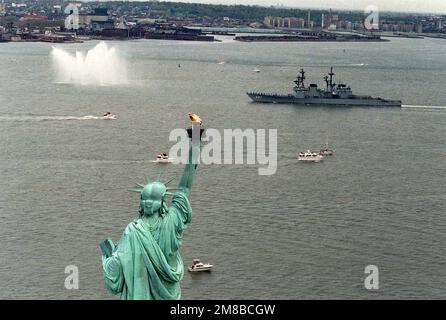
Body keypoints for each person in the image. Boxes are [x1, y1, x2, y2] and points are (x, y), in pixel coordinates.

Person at [101, 138, 201, 300]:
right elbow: (184, 188)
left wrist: (108, 259)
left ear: (162, 201)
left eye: (152, 199)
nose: (147, 203)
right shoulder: (165, 222)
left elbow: (185, 185)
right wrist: (195, 141)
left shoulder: (136, 230)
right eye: (144, 198)